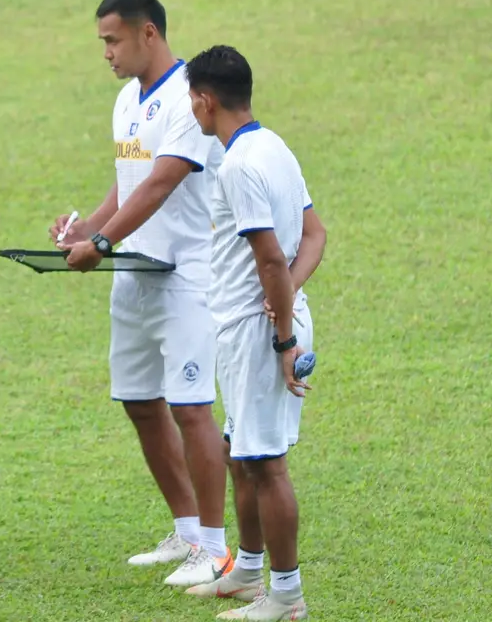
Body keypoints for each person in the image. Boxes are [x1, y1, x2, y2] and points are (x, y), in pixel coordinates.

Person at [51, 0, 231, 588]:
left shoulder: (189, 98)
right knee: (139, 401)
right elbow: (128, 182)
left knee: (191, 407)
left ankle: (216, 548)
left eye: (112, 40)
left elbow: (163, 181)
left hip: (187, 276)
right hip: (133, 274)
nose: (106, 52)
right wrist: (86, 229)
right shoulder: (127, 99)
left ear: (147, 32)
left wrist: (100, 244)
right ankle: (187, 531)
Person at [181, 44, 320, 621]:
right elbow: (315, 236)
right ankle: (246, 571)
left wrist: (283, 337)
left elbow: (269, 258)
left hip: (259, 334)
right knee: (239, 454)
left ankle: (286, 597)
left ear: (205, 101)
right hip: (267, 320)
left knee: (266, 464)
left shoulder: (238, 165)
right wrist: (287, 291)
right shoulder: (274, 146)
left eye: (192, 101)